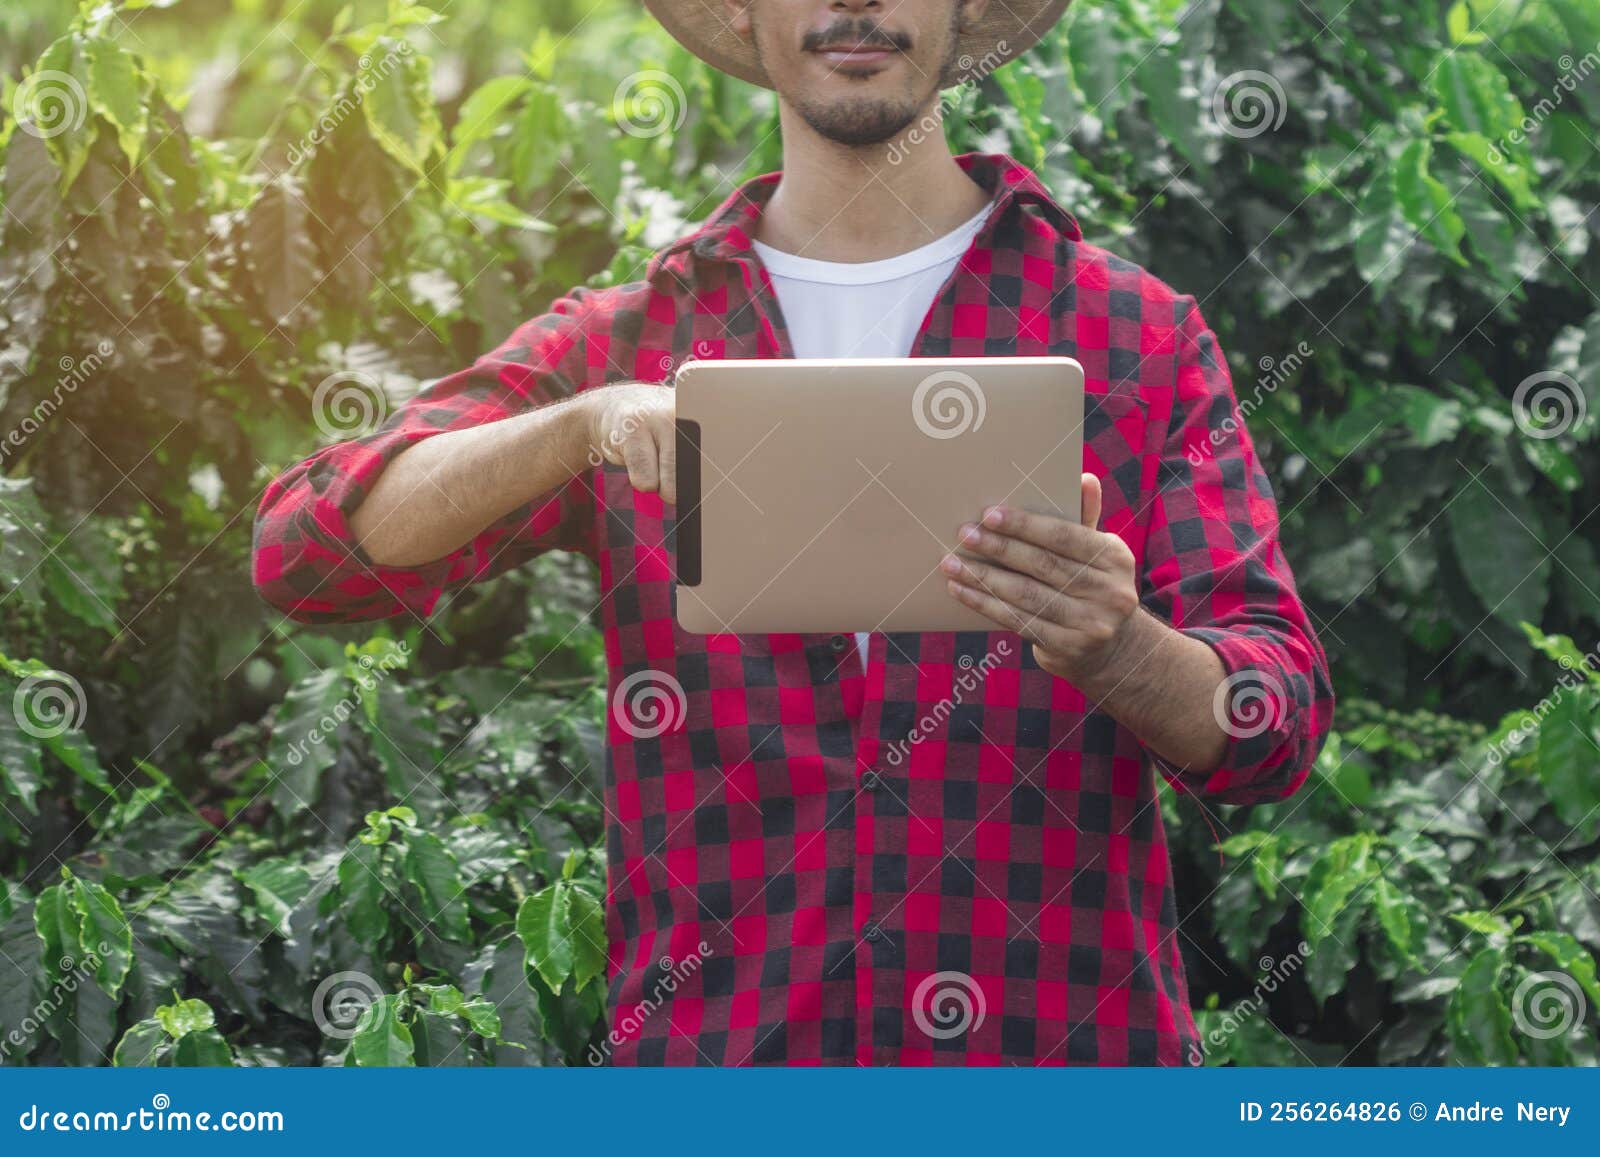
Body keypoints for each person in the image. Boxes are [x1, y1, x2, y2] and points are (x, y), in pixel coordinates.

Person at [253, 0, 1334, 1066]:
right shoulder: (633, 337)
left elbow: (1272, 721)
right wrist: (582, 424)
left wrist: (1119, 644)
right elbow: (309, 555)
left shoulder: (1131, 334)